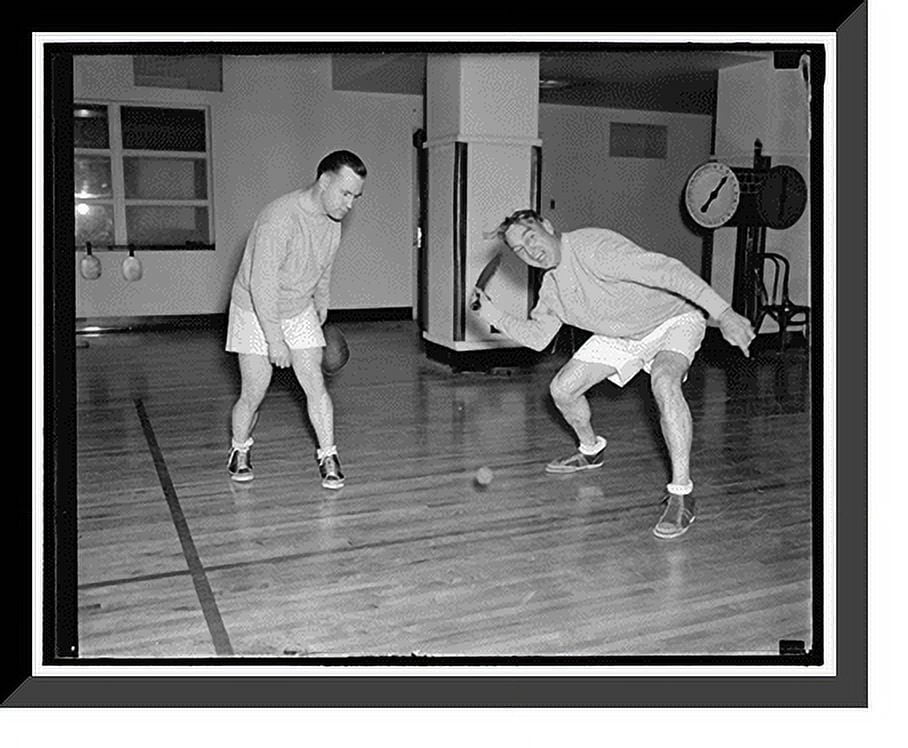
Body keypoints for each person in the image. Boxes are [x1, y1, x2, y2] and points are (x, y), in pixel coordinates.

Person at [471, 209, 755, 539]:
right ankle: (591, 450)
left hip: (671, 321)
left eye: (531, 237)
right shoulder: (551, 289)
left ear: (547, 226)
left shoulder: (593, 248)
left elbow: (668, 271)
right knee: (563, 389)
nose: (529, 251)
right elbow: (538, 339)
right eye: (519, 249)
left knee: (664, 382)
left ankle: (681, 493)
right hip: (621, 335)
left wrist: (724, 312)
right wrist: (492, 312)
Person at [225, 150, 367, 489]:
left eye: (355, 197)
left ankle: (328, 454)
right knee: (254, 392)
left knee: (314, 383)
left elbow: (325, 265)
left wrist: (322, 302)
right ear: (324, 182)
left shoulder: (333, 221)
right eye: (345, 193)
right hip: (255, 308)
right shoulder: (279, 219)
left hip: (297, 304)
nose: (349, 204)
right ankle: (239, 448)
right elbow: (262, 284)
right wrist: (275, 340)